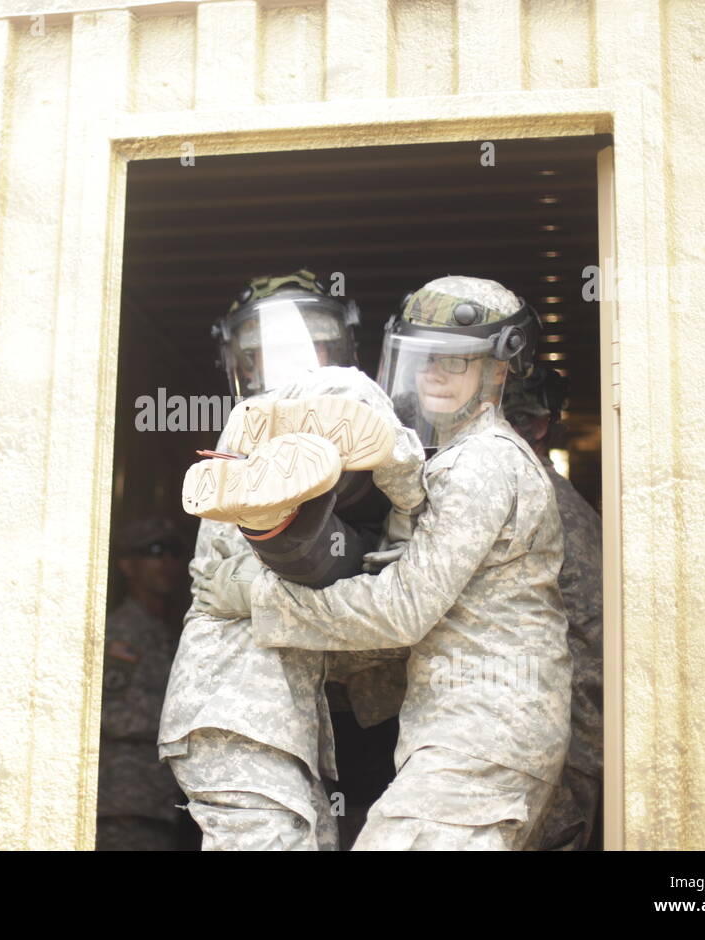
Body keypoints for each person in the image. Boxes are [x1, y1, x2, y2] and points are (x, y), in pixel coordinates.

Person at [247, 275, 572, 850]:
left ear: (498, 370)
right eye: (425, 360)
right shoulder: (455, 459)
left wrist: (262, 600)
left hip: (484, 733)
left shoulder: (481, 465)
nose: (434, 375)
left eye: (457, 361)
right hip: (472, 733)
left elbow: (403, 610)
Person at [159, 270, 417, 850]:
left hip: (291, 730)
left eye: (317, 345)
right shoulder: (247, 435)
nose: (294, 363)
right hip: (242, 719)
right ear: (239, 366)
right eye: (259, 353)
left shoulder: (351, 409)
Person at [503, 369, 604, 850]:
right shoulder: (530, 498)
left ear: (536, 427)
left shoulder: (548, 505)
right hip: (545, 731)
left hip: (560, 738)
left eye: (508, 418)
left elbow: (591, 640)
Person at [97, 518, 191, 850]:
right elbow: (111, 712)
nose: (167, 562)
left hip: (158, 808)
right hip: (124, 808)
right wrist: (186, 718)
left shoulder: (168, 631)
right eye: (154, 551)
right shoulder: (121, 633)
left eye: (174, 552)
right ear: (127, 564)